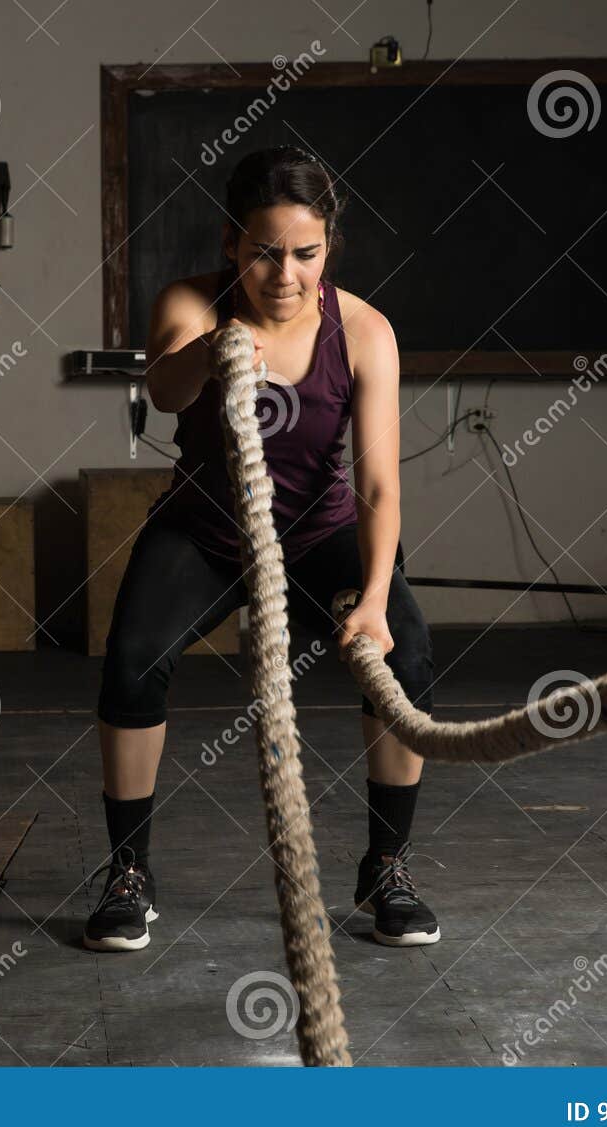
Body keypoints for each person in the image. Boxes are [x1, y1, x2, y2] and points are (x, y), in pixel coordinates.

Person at [83, 145, 438, 952]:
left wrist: (376, 598)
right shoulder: (191, 303)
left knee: (409, 655)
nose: (285, 273)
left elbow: (379, 487)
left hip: (317, 535)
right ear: (230, 244)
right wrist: (213, 352)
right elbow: (165, 391)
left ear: (328, 247)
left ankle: (387, 865)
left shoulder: (365, 332)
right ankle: (127, 875)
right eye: (264, 252)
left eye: (305, 253)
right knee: (133, 659)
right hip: (206, 530)